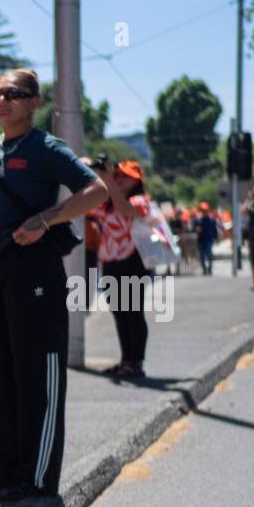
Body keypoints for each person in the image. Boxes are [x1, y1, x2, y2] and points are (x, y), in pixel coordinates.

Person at [0, 68, 107, 504]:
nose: (2, 100)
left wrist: (47, 218)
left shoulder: (47, 148)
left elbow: (97, 190)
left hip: (34, 268)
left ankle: (37, 474)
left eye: (14, 94)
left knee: (37, 372)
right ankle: (4, 469)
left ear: (34, 102)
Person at [92, 159, 152, 378]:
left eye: (124, 176)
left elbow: (124, 209)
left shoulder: (141, 200)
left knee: (133, 313)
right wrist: (98, 175)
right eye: (117, 175)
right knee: (119, 313)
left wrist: (109, 183)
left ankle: (136, 362)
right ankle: (126, 359)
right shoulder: (107, 199)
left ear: (137, 180)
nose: (119, 178)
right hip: (111, 262)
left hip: (132, 261)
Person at [195, 201, 218, 276]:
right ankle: (204, 269)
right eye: (203, 210)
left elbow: (214, 229)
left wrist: (216, 237)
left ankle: (210, 269)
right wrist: (197, 230)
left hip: (208, 239)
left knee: (209, 254)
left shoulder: (211, 219)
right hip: (201, 240)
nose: (204, 212)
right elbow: (194, 229)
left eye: (205, 210)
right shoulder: (198, 220)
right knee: (202, 256)